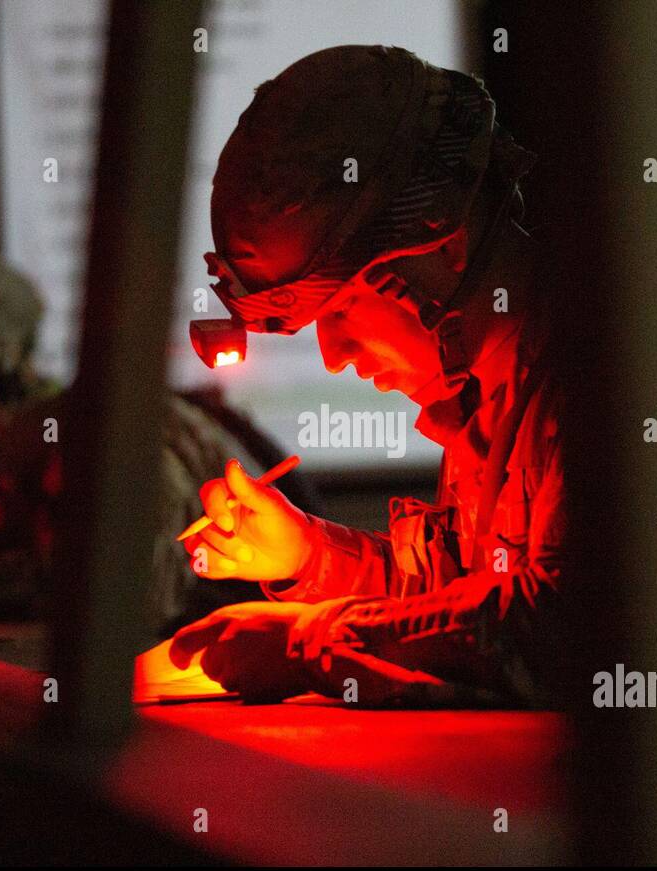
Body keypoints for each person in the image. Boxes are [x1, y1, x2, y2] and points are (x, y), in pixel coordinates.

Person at [170, 46, 571, 707]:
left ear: (446, 244)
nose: (332, 355)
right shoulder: (492, 390)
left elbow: (553, 628)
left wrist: (310, 643)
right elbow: (459, 602)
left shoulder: (596, 377)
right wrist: (310, 557)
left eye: (346, 307)